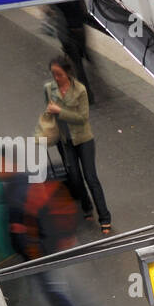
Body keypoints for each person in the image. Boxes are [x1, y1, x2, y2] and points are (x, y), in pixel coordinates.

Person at [0, 149, 80, 306]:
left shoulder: (19, 187)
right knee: (58, 288)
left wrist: (38, 254)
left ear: (7, 163)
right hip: (40, 252)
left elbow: (37, 220)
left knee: (56, 290)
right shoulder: (13, 186)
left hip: (42, 252)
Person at [44, 55, 111, 234]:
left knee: (91, 177)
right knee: (74, 176)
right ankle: (87, 207)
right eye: (53, 74)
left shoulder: (80, 90)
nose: (56, 78)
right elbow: (50, 113)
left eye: (59, 74)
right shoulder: (49, 89)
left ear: (68, 73)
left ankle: (105, 217)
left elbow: (82, 118)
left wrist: (60, 111)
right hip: (65, 140)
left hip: (84, 139)